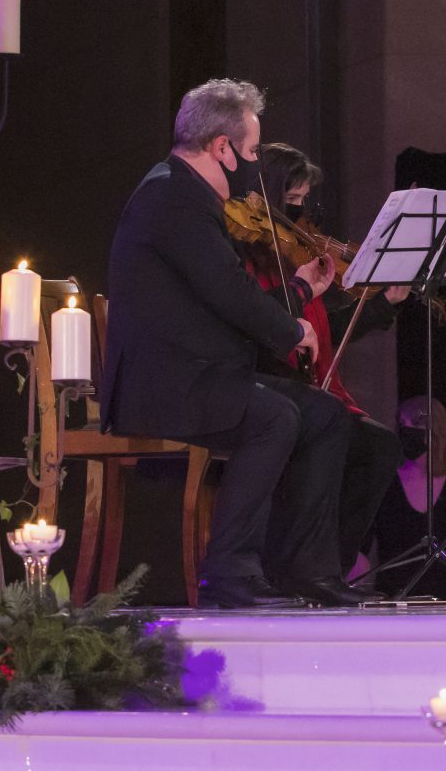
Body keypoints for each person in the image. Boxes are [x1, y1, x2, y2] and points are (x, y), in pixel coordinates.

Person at [99, 79, 355, 609]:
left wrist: (300, 295)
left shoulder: (185, 193)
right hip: (164, 386)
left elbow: (222, 295)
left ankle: (303, 572)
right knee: (275, 417)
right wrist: (294, 329)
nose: (256, 162)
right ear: (222, 146)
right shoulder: (172, 195)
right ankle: (232, 572)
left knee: (326, 416)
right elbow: (227, 292)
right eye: (253, 151)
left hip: (198, 375)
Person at [237, 142, 405, 581]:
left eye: (304, 203)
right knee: (328, 424)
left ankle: (334, 567)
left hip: (304, 384)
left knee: (380, 446)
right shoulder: (244, 252)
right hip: (263, 381)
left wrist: (384, 301)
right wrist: (299, 288)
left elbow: (325, 326)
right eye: (291, 202)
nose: (301, 218)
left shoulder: (293, 254)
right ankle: (296, 570)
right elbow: (257, 327)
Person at [365, 397, 446, 600]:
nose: (407, 431)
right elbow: (359, 548)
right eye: (402, 425)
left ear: (437, 432)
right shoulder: (386, 482)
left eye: (416, 425)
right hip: (393, 599)